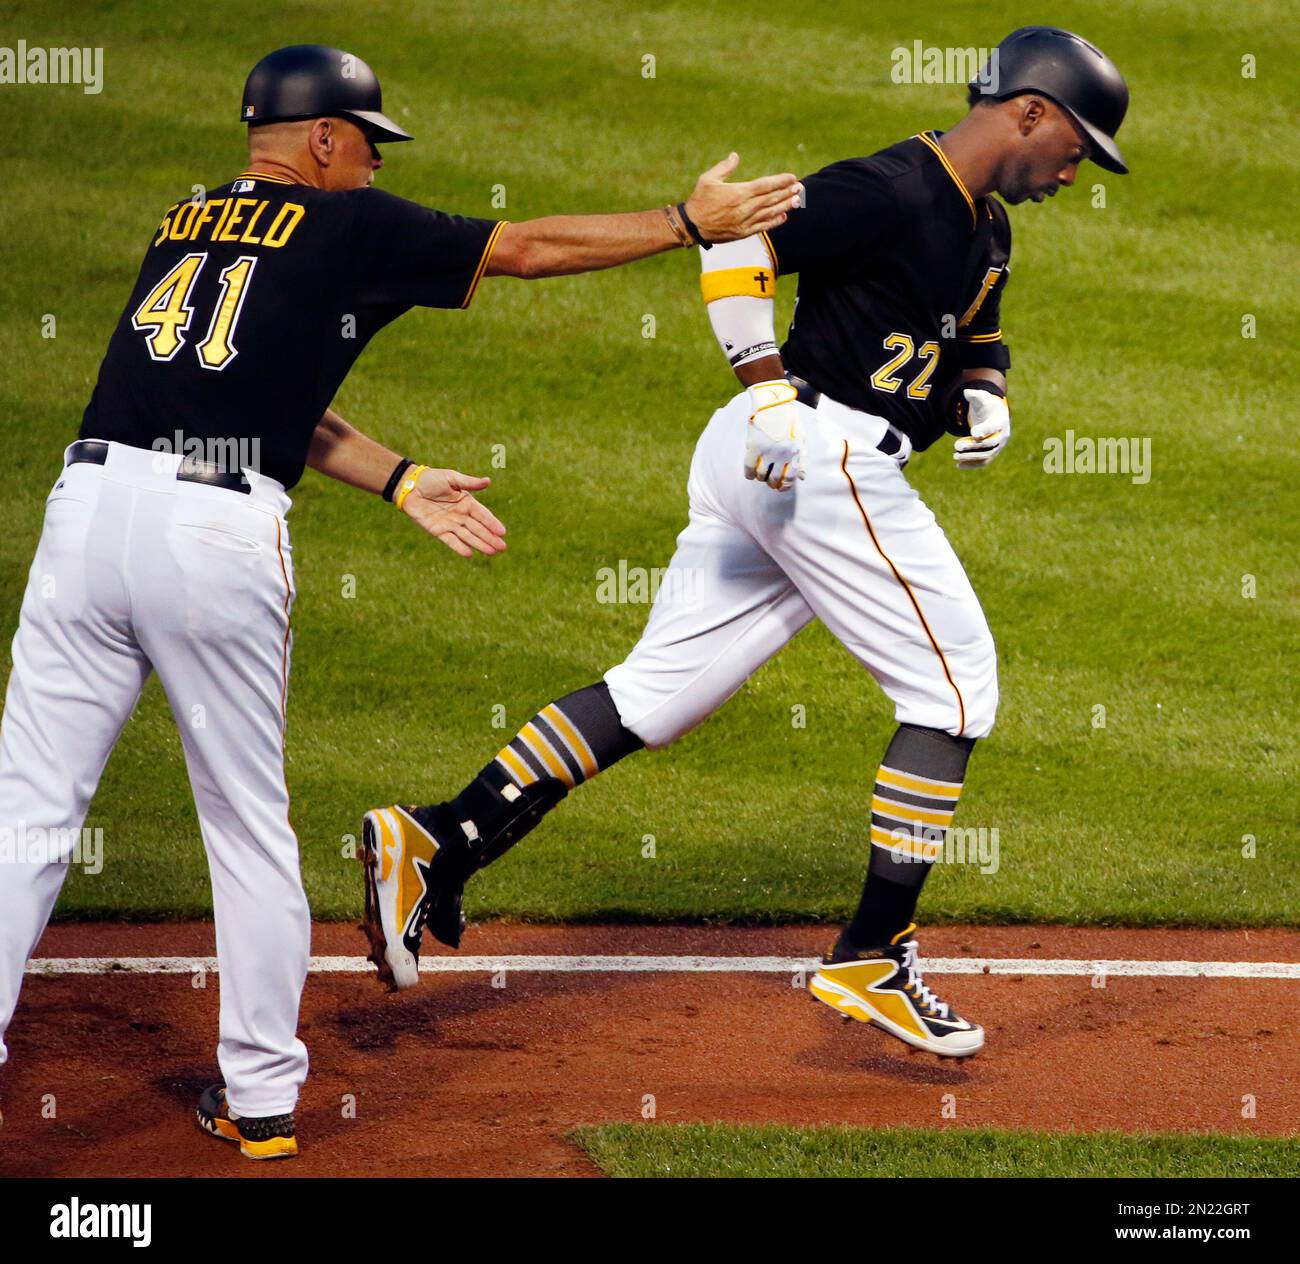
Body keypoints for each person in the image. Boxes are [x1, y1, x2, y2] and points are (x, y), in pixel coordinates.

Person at [0, 43, 801, 1159]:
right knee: (243, 819)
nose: (376, 165)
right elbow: (524, 248)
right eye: (368, 144)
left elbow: (256, 389)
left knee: (30, 808)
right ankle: (260, 1095)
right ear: (323, 137)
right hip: (212, 534)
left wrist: (400, 477)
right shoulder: (348, 223)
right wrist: (684, 221)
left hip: (87, 514)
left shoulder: (184, 221)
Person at [360, 27, 1129, 1060]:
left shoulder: (986, 227)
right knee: (953, 692)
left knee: (656, 694)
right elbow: (736, 244)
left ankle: (439, 838)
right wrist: (763, 385)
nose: (1075, 173)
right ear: (1030, 112)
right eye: (1078, 147)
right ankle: (871, 952)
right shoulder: (889, 187)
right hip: (811, 457)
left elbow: (974, 336)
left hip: (775, 464)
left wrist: (983, 396)